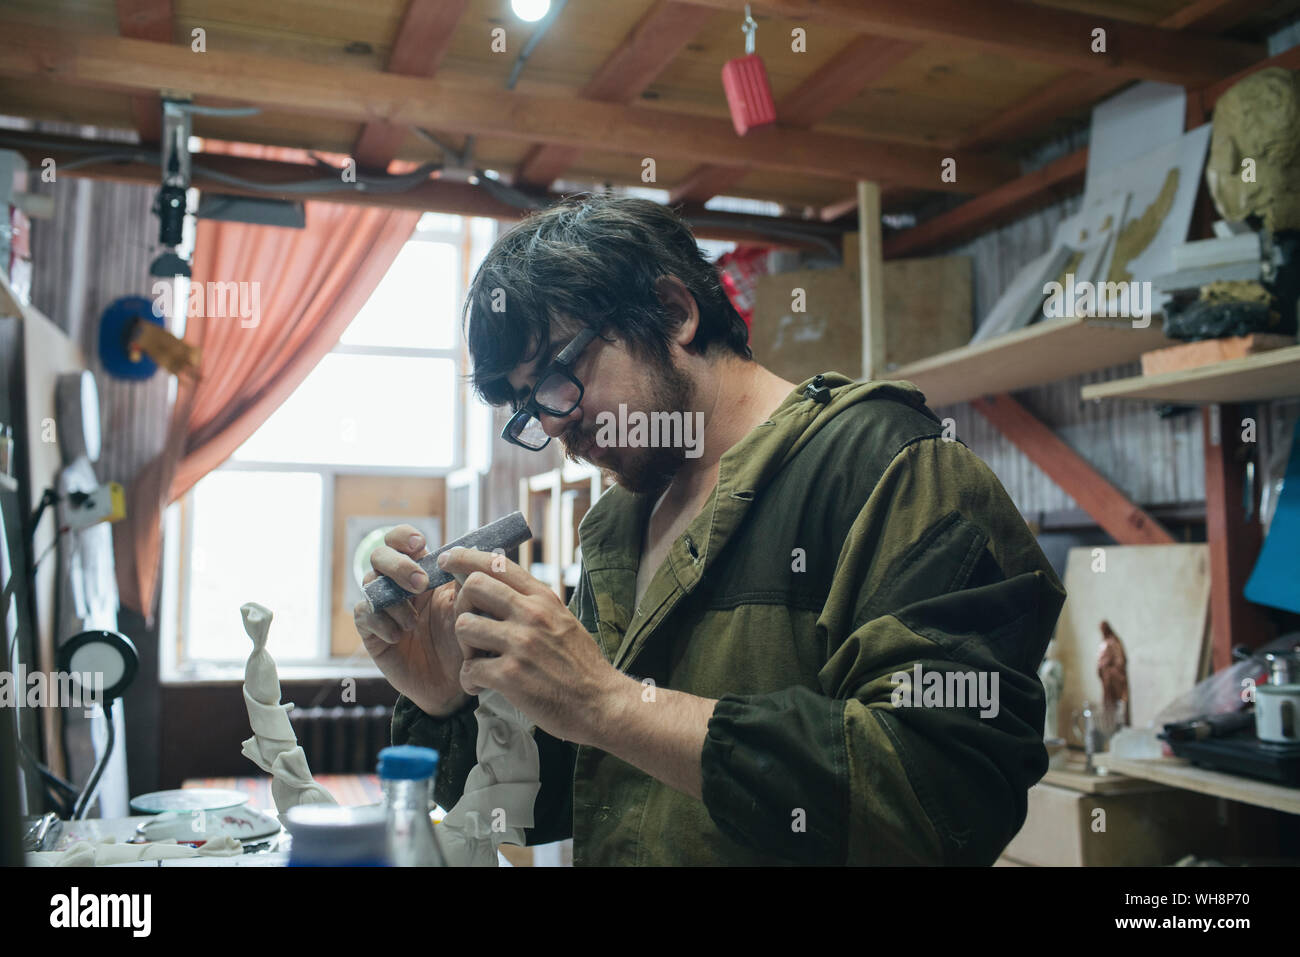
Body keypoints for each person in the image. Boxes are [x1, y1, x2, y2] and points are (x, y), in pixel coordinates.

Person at [354, 194, 1067, 865]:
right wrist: (445, 697)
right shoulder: (619, 522)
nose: (552, 422)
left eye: (556, 377)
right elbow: (580, 788)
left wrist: (610, 701)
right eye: (525, 406)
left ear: (672, 312)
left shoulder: (892, 470)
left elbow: (942, 796)